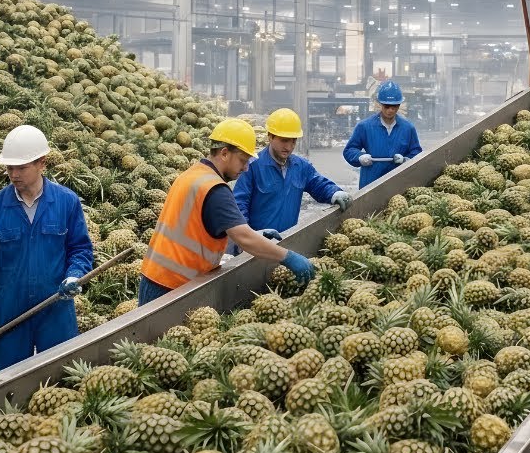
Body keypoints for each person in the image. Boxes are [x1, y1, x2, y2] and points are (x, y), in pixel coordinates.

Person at [139, 118, 316, 304]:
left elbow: (199, 226)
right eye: (243, 160)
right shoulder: (216, 190)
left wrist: (255, 234)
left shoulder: (193, 174)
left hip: (154, 276)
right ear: (224, 153)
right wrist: (288, 257)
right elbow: (244, 238)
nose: (246, 167)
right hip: (174, 287)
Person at [0, 125, 94, 371]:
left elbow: (80, 249)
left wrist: (74, 275)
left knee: (62, 379)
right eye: (9, 167)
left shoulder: (66, 201)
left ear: (41, 163)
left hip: (56, 309)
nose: (14, 174)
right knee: (10, 384)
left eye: (21, 167)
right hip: (11, 316)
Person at [234, 108, 352, 240]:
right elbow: (239, 204)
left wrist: (334, 192)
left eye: (293, 141)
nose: (289, 147)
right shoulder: (252, 167)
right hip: (258, 243)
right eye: (284, 140)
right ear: (270, 137)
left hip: (287, 240)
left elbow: (318, 184)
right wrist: (248, 236)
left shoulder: (300, 166)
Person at [342, 80, 423, 189]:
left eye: (394, 106)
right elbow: (349, 150)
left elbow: (416, 152)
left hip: (398, 185)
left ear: (399, 105)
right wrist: (359, 157)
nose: (390, 110)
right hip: (370, 183)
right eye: (387, 106)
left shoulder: (407, 128)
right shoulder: (365, 127)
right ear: (380, 104)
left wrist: (405, 159)